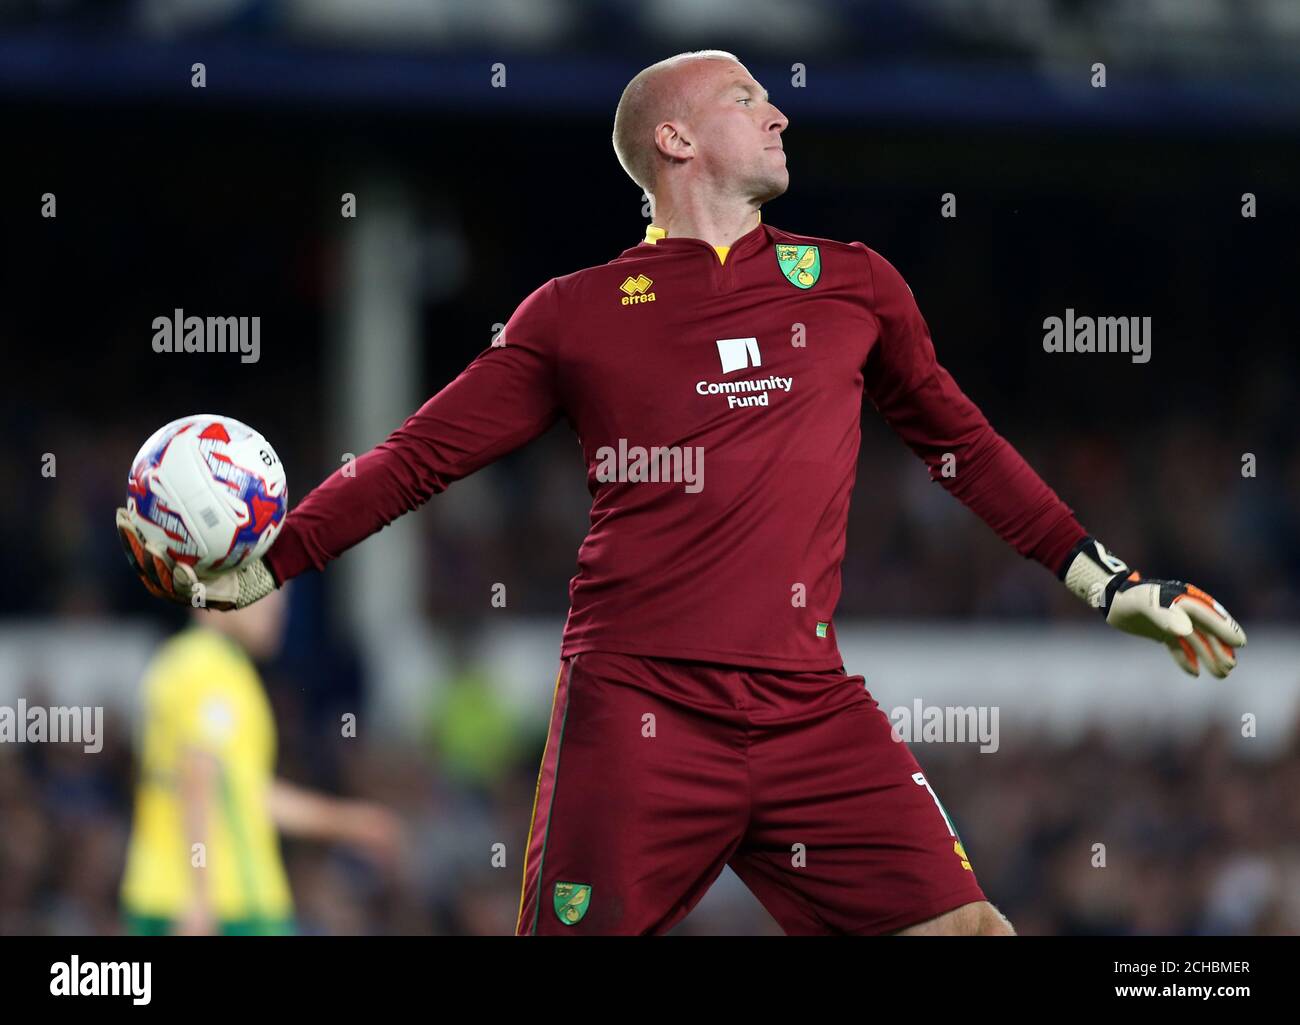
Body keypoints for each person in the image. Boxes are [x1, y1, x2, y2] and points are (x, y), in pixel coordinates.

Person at [116, 50, 1246, 936]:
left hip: (811, 708)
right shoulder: (576, 312)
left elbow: (964, 444)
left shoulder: (854, 285)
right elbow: (419, 455)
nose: (780, 115)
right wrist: (271, 560)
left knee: (969, 928)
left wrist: (1109, 584)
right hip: (638, 703)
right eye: (748, 98)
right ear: (674, 136)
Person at [120, 586, 401, 935]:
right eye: (264, 588)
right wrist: (200, 897)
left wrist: (347, 822)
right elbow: (198, 775)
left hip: (176, 894)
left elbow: (243, 794)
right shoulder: (209, 669)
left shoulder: (193, 664)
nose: (279, 604)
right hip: (229, 905)